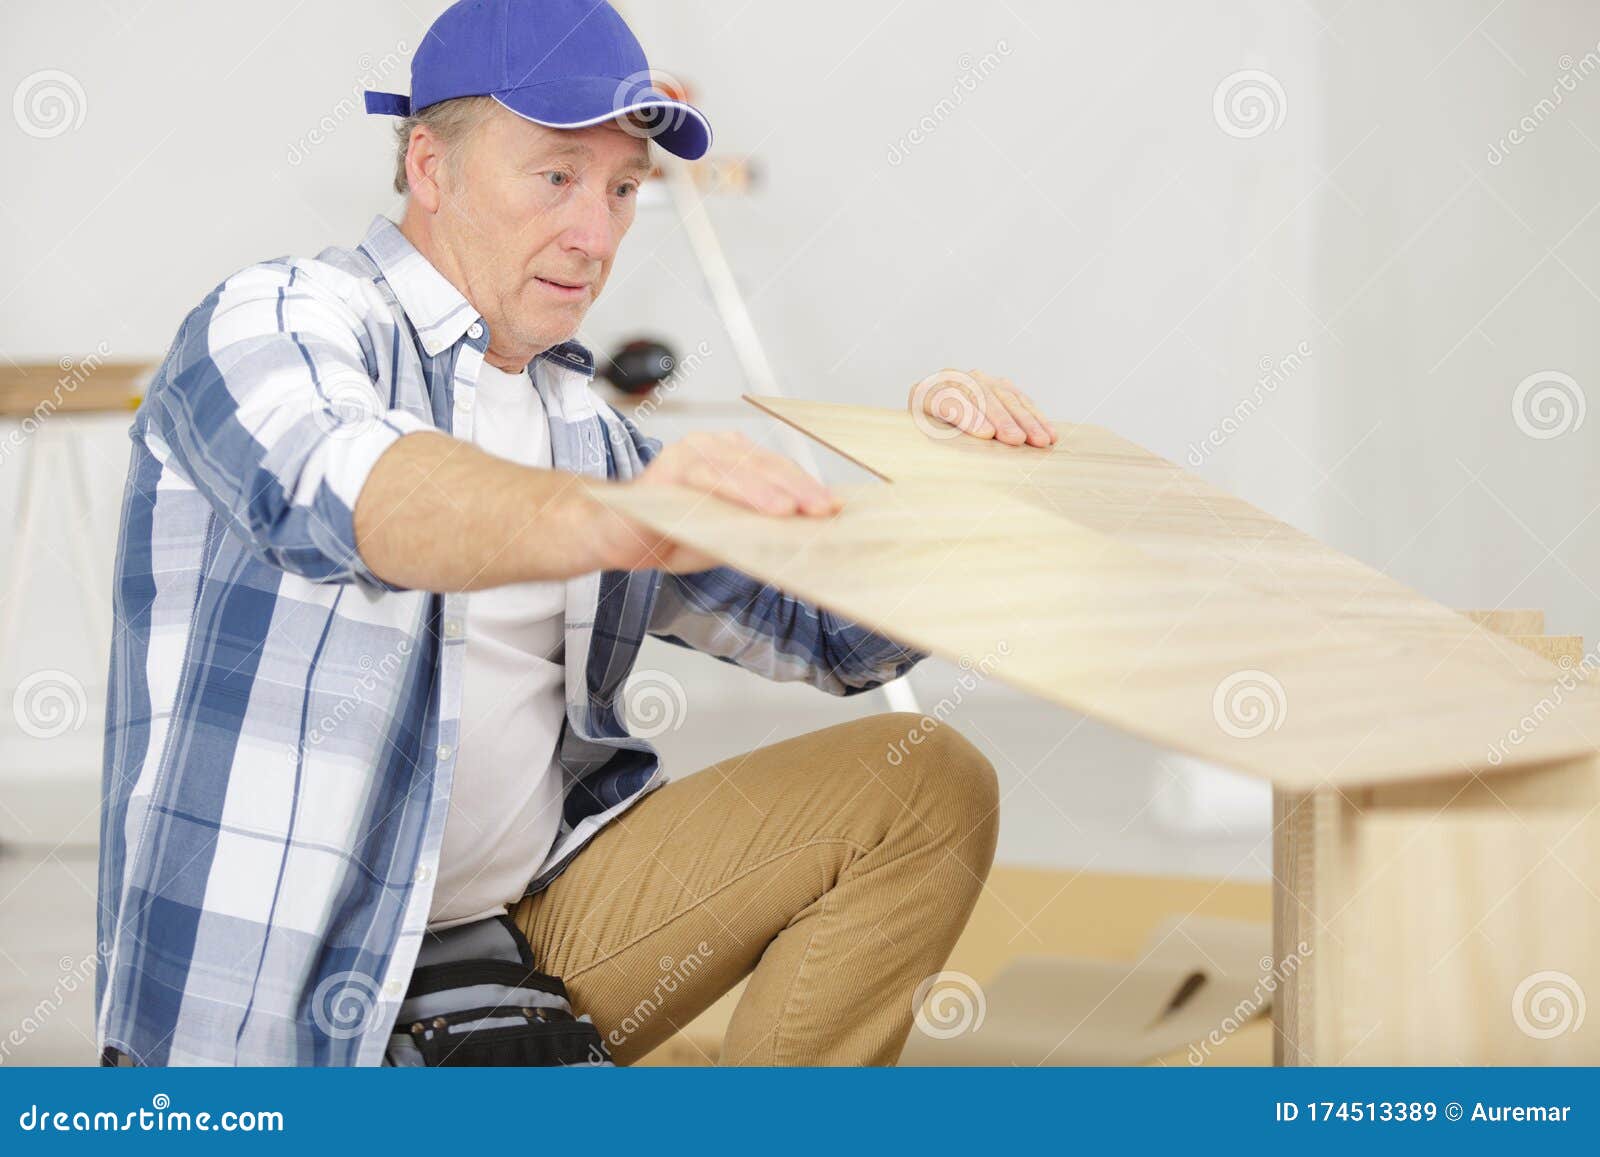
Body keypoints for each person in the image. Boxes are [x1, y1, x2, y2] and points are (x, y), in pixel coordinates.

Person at [96, 0, 1058, 1067]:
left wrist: (945, 487)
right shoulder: (275, 318)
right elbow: (348, 492)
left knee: (920, 783)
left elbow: (828, 636)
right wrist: (616, 518)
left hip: (530, 929)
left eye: (622, 187)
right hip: (289, 998)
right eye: (555, 176)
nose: (594, 236)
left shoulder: (583, 426)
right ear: (429, 162)